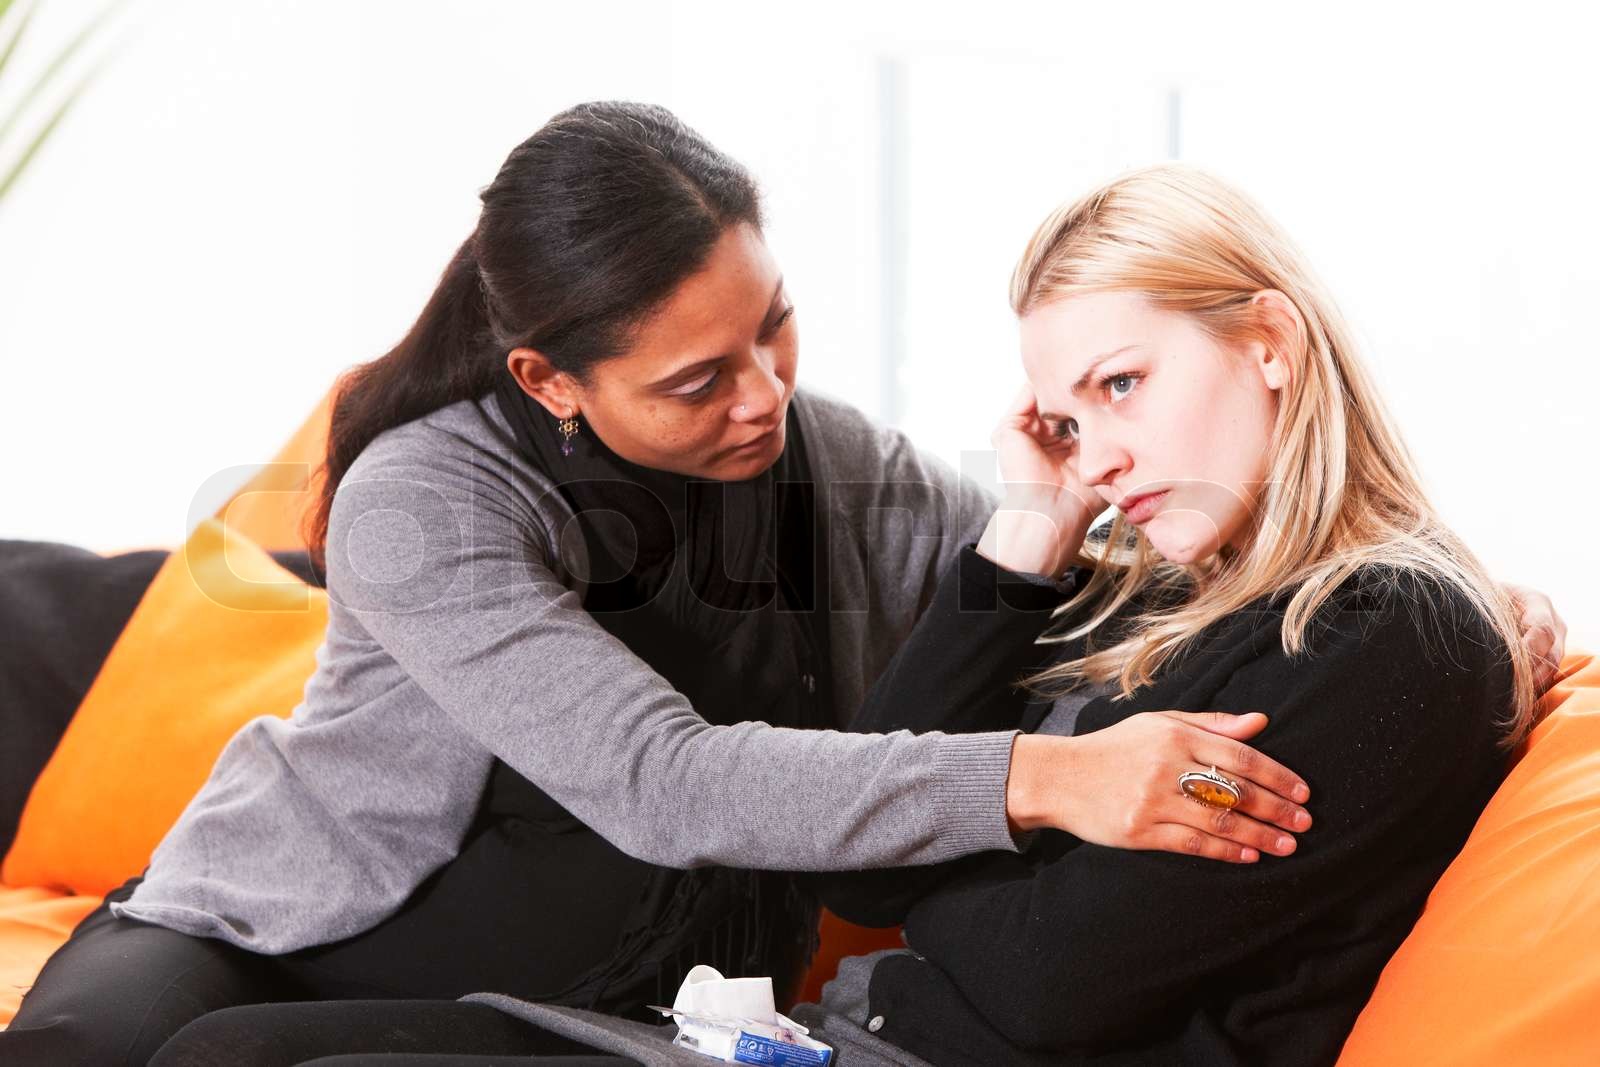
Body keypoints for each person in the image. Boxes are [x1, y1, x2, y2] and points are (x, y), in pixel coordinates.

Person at [0, 104, 1351, 1067]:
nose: (766, 398)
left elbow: (1074, 578)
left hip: (585, 993)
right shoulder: (429, 493)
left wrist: (1385, 569)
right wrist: (1039, 777)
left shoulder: (819, 454)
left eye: (773, 327)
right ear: (550, 380)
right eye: (698, 380)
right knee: (87, 1051)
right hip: (288, 931)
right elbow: (662, 780)